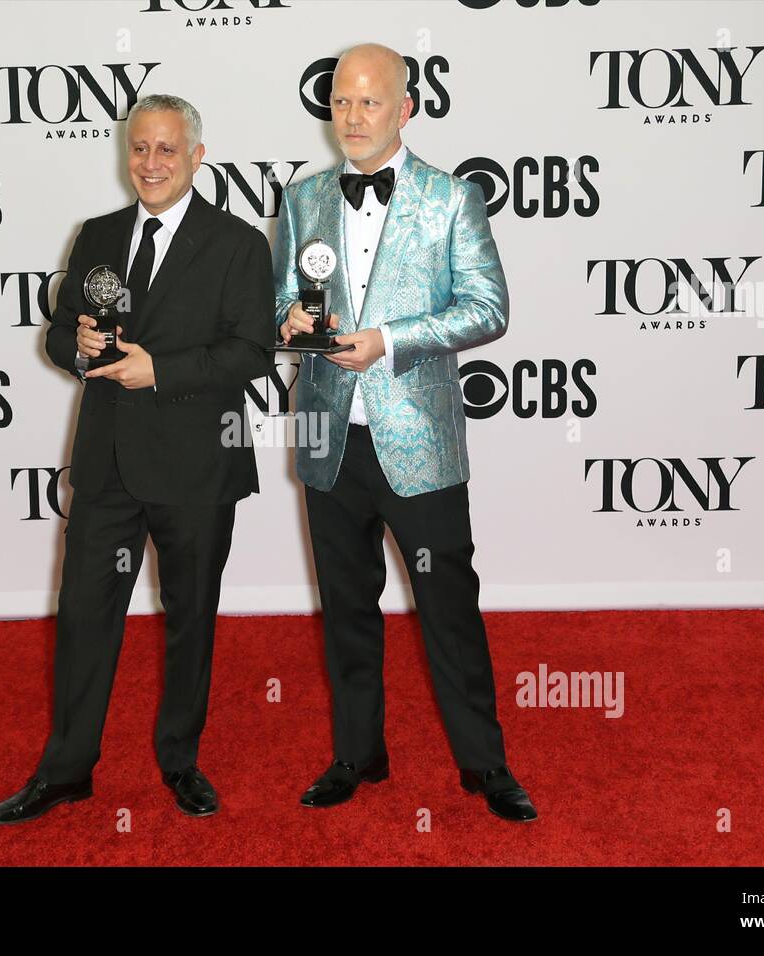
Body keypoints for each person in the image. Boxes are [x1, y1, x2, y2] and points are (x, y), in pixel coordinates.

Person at [0, 93, 273, 823]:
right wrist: (78, 351)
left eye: (167, 149)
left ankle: (181, 761)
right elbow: (58, 335)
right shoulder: (98, 235)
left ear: (197, 157)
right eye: (140, 148)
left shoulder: (238, 242)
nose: (151, 163)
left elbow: (250, 351)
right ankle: (66, 769)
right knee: (83, 614)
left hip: (197, 466)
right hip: (108, 462)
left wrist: (162, 371)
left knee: (190, 615)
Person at [273, 44, 537, 822]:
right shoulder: (302, 197)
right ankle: (358, 755)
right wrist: (288, 320)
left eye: (370, 103)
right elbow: (283, 300)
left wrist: (389, 339)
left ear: (406, 109)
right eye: (341, 102)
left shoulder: (451, 197)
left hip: (418, 443)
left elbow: (488, 309)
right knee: (346, 606)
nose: (352, 118)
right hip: (329, 438)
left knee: (448, 606)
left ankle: (486, 767)